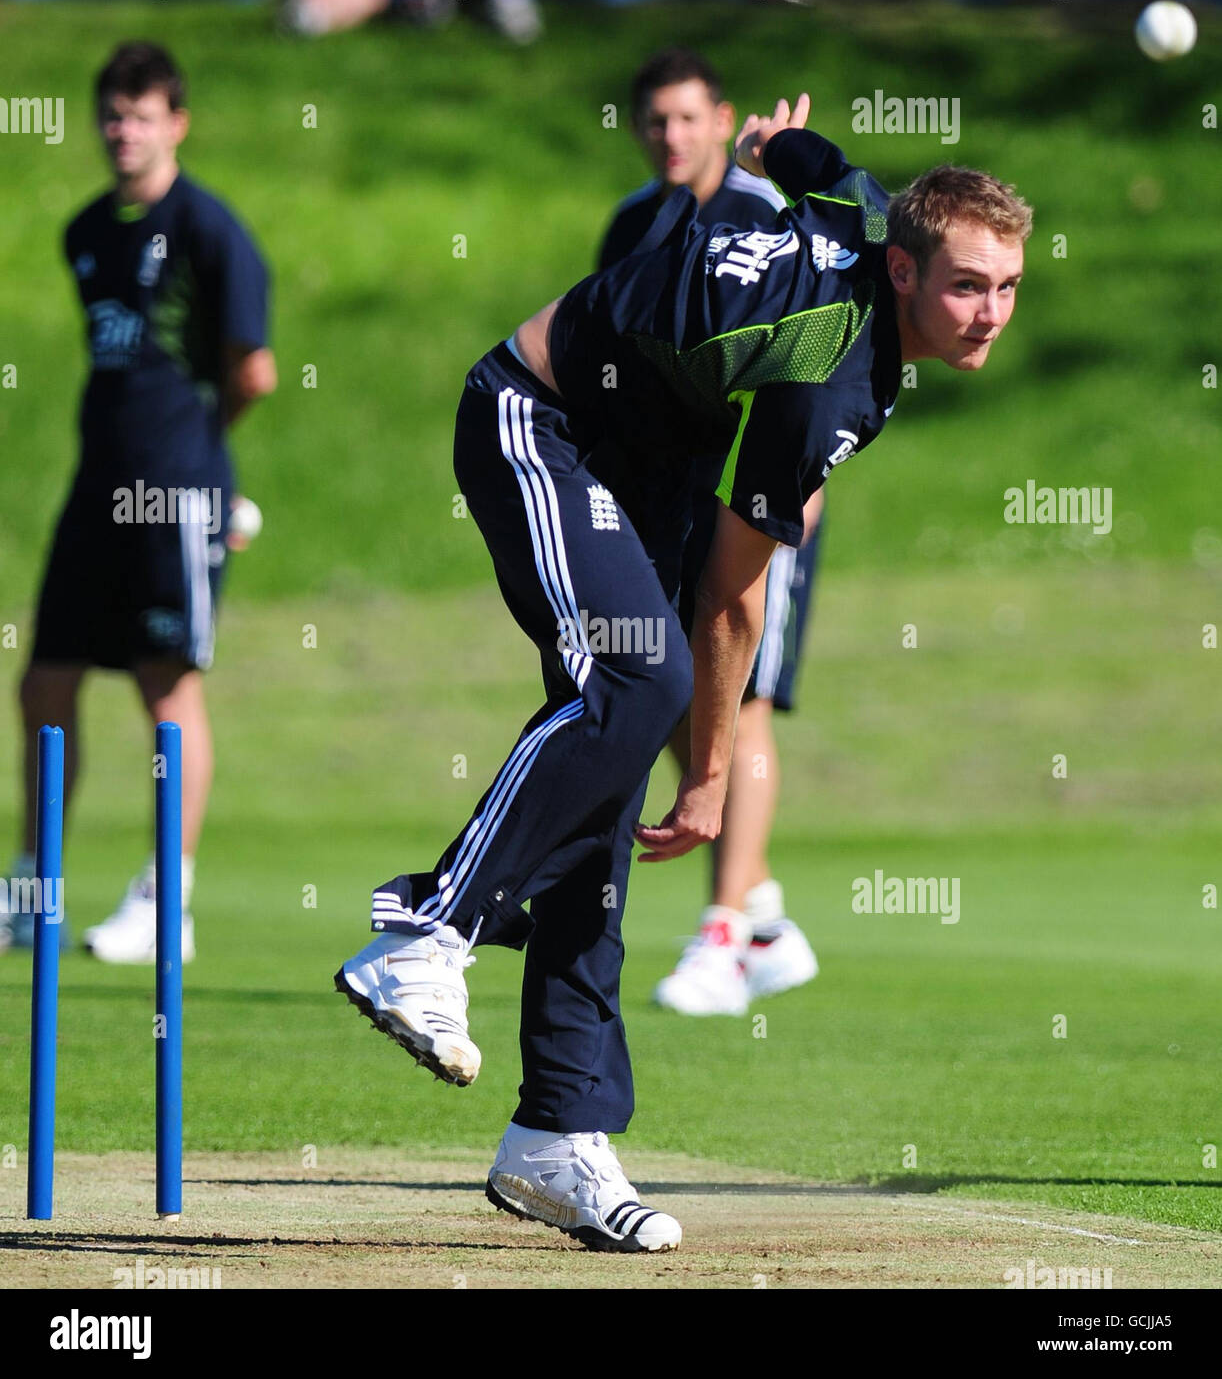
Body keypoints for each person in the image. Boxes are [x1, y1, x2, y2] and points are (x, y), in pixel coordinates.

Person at [335, 93, 1030, 1252]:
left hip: (642, 464)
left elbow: (813, 162)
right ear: (901, 271)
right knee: (639, 685)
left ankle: (556, 1133)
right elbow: (733, 593)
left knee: (605, 782)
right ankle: (425, 926)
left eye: (1006, 287)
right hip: (538, 419)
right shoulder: (831, 378)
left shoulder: (861, 211)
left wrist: (766, 144)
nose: (989, 313)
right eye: (966, 284)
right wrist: (709, 772)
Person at [0, 42, 276, 963]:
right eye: (112, 116)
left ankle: (170, 898)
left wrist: (200, 455)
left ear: (176, 124)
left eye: (142, 115)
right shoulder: (84, 231)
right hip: (95, 488)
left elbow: (254, 372)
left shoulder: (210, 229)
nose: (124, 132)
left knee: (167, 685)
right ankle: (32, 887)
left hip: (178, 492)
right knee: (43, 683)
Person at [597, 47, 820, 1017]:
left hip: (758, 496)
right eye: (654, 120)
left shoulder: (761, 209)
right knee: (691, 708)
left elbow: (811, 356)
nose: (671, 136)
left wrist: (799, 492)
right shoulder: (635, 224)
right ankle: (764, 912)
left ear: (722, 120)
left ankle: (725, 937)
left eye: (688, 118)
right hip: (670, 495)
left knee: (748, 703)